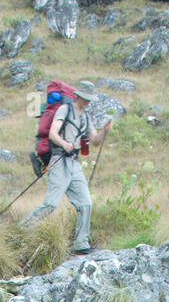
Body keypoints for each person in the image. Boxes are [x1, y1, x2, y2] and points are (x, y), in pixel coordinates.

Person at [21, 80, 112, 257]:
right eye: (85, 98)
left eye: (89, 99)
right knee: (50, 204)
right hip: (59, 160)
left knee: (85, 203)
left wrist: (105, 131)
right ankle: (22, 229)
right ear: (77, 96)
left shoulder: (85, 117)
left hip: (74, 163)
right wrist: (65, 144)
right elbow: (52, 133)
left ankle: (81, 244)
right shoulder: (65, 110)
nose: (87, 102)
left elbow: (95, 141)